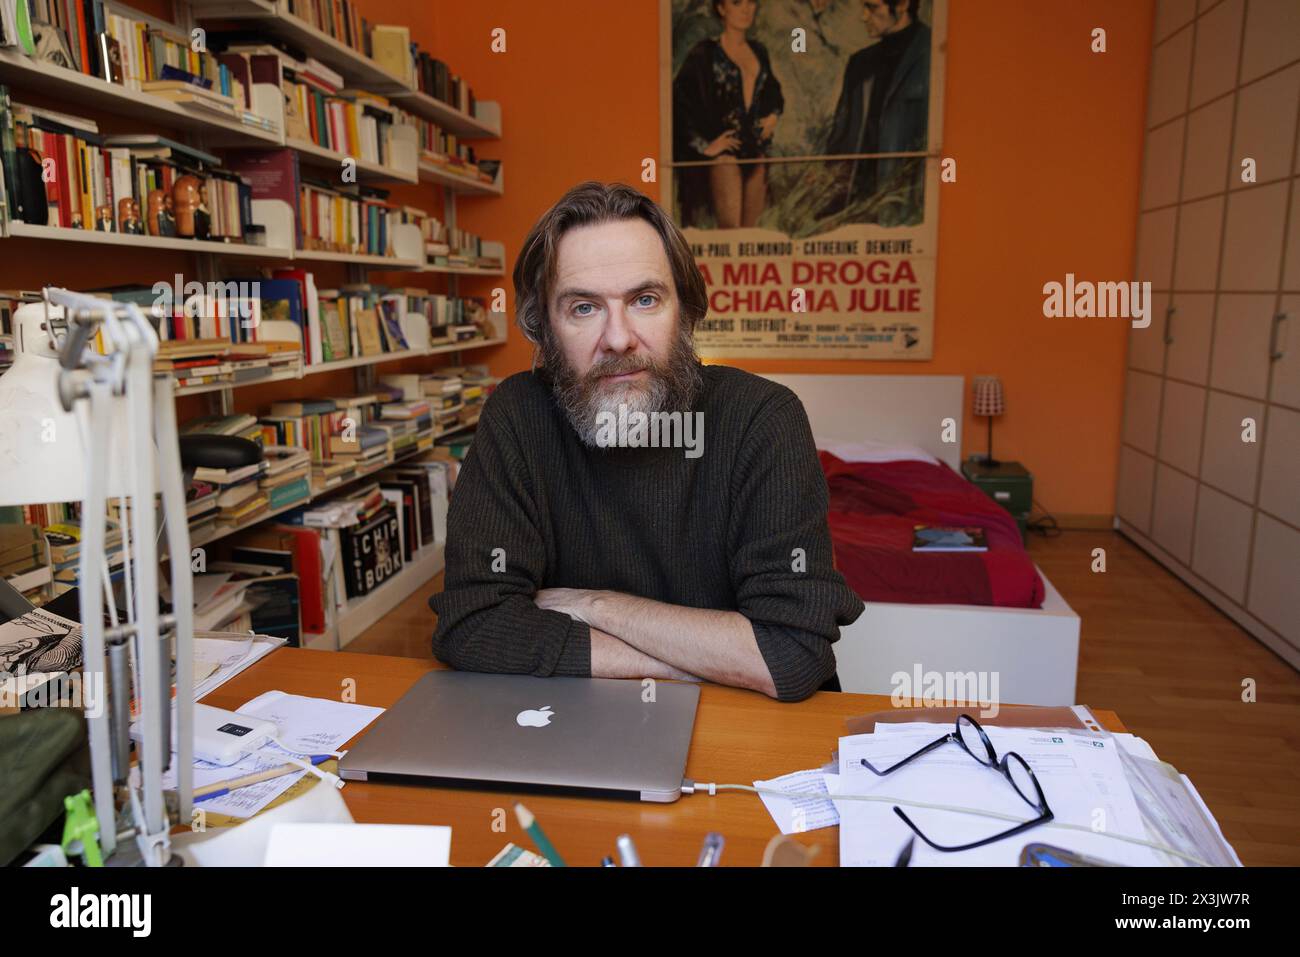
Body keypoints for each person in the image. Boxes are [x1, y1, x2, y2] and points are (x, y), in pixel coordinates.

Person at [429, 182, 863, 701]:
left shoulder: (762, 418)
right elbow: (473, 624)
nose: (618, 337)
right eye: (583, 308)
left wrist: (595, 606)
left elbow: (790, 654)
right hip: (573, 726)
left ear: (685, 311)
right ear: (544, 328)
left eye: (645, 299)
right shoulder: (518, 416)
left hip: (746, 737)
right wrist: (701, 663)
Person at [672, 0, 784, 228]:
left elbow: (774, 93)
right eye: (736, 2)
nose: (746, 9)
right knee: (730, 234)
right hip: (726, 157)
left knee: (750, 238)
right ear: (721, 9)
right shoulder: (705, 54)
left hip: (756, 152)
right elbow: (679, 104)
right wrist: (705, 145)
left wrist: (773, 116)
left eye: (751, 2)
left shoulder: (759, 51)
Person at [824, 0, 930, 215]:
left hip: (905, 205)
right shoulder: (860, 63)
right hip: (853, 208)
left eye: (872, 7)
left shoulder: (933, 54)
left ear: (902, 5)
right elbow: (839, 140)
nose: (863, 17)